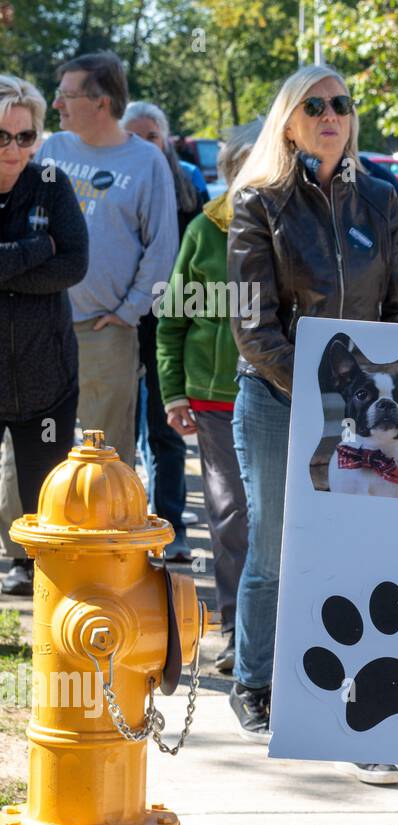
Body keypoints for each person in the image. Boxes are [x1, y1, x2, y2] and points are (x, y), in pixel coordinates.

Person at [226, 65, 398, 775]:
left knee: (360, 555)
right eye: (315, 105)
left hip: (365, 417)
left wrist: (370, 399)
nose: (332, 113)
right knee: (277, 548)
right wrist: (323, 398)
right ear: (289, 119)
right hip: (279, 401)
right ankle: (255, 682)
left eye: (341, 103)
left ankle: (358, 707)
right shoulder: (260, 203)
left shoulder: (383, 199)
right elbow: (254, 327)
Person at [36, 51, 178, 469]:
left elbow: (162, 248)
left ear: (101, 102)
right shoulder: (52, 149)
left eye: (66, 95)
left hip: (105, 332)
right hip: (41, 327)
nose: (57, 104)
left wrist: (128, 311)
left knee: (105, 460)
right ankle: (21, 537)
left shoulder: (147, 161)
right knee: (31, 452)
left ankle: (105, 537)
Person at [156, 121, 261, 675]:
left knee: (276, 520)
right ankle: (237, 635)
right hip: (215, 400)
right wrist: (174, 393)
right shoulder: (203, 229)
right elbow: (171, 320)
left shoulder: (293, 225)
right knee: (230, 515)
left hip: (281, 394)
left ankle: (272, 636)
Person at [0, 74, 89, 596]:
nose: (15, 149)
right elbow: (54, 256)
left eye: (25, 137)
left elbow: (75, 263)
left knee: (46, 501)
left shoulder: (52, 181)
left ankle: (50, 611)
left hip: (47, 379)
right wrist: (39, 248)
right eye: (3, 136)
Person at [122, 100, 208, 563]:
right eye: (132, 137)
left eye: (151, 136)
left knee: (165, 428)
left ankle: (170, 524)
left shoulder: (189, 185)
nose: (144, 146)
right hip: (118, 318)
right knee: (116, 429)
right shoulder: (119, 184)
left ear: (167, 140)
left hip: (168, 322)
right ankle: (116, 520)